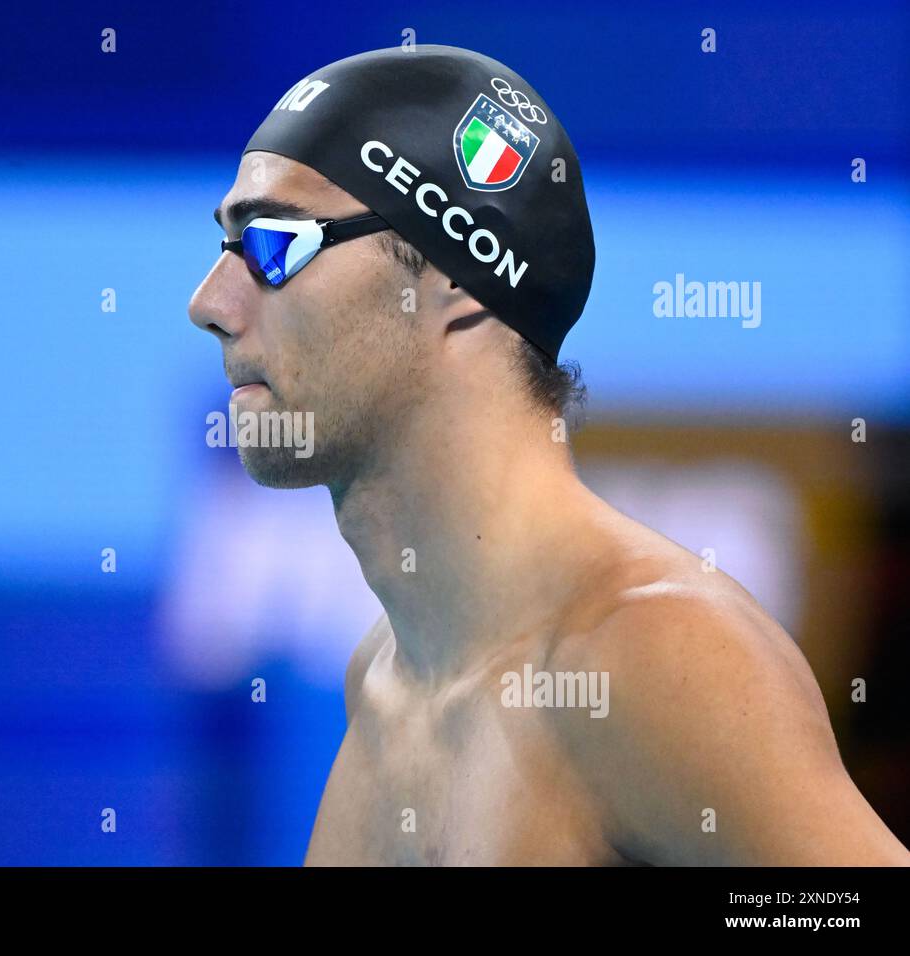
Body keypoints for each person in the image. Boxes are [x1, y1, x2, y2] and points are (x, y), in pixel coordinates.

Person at [187, 45, 910, 865]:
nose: (208, 302)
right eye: (222, 245)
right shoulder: (388, 678)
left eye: (274, 244)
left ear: (457, 277)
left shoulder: (650, 654)